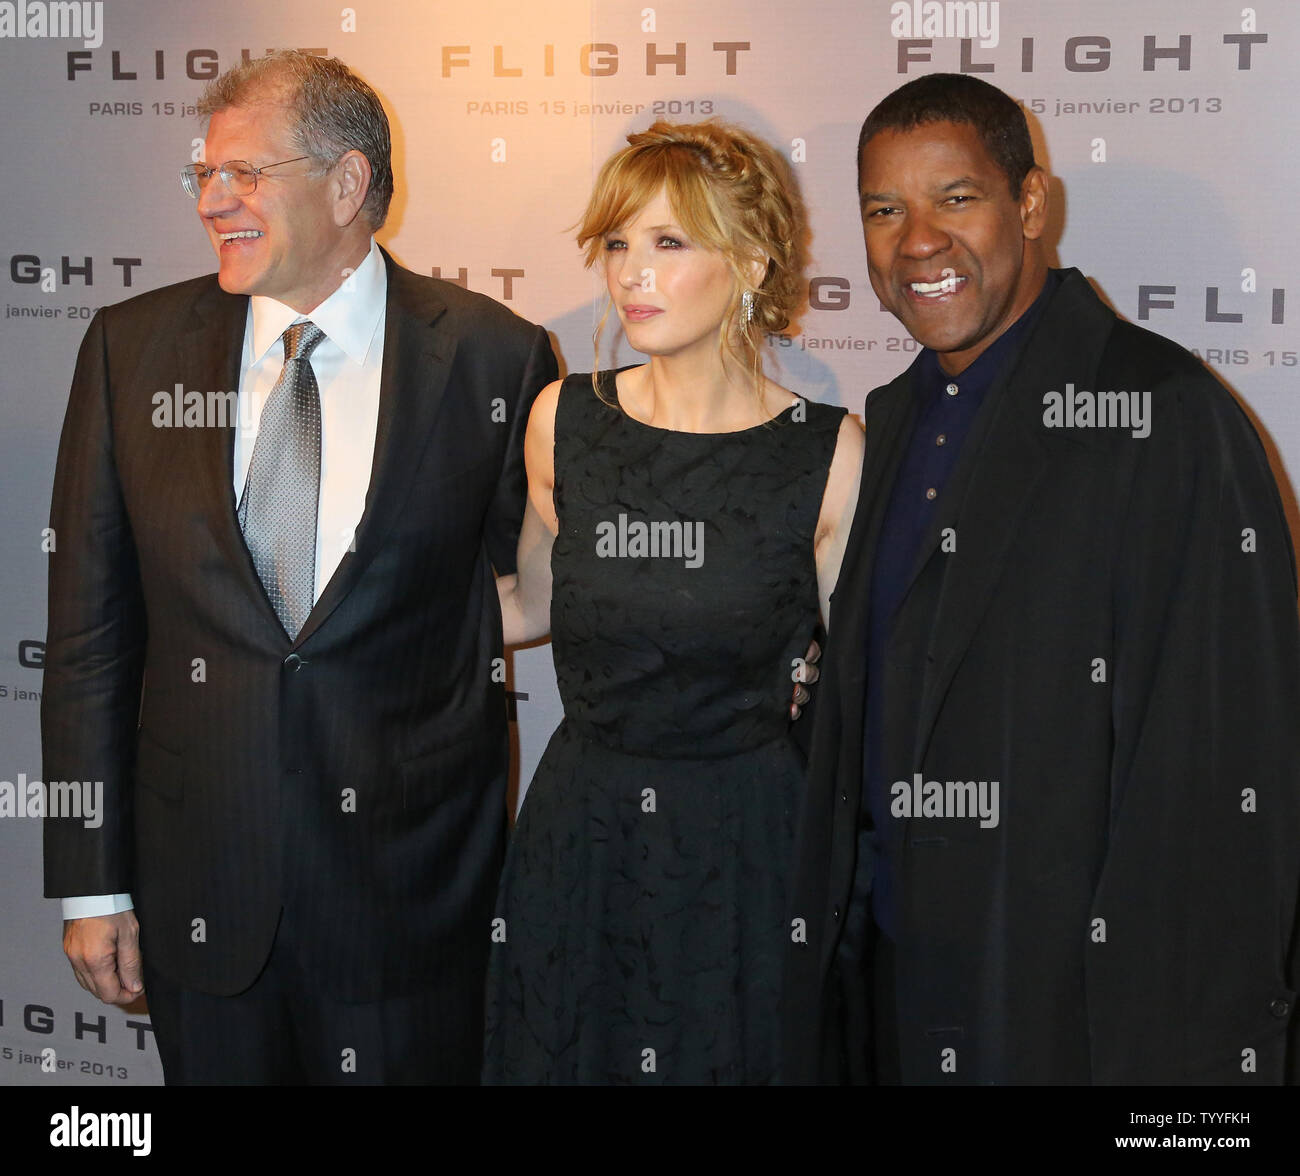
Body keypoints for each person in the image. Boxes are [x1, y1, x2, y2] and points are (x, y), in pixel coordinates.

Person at [41, 50, 557, 1084]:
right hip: (202, 894)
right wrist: (92, 886)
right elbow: (91, 637)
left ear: (348, 183)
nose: (213, 201)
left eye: (245, 174)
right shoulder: (130, 349)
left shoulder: (494, 356)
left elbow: (528, 590)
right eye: (203, 176)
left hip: (412, 898)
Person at [781, 72, 1300, 1085]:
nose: (916, 240)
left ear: (1029, 205)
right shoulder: (889, 420)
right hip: (894, 989)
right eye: (883, 210)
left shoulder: (1166, 419)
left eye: (956, 199)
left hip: (1074, 1020)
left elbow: (1223, 786)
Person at [481, 120, 864, 1084]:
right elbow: (529, 604)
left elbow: (863, 683)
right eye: (617, 244)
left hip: (747, 847)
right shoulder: (561, 421)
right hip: (585, 834)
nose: (630, 275)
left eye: (667, 244)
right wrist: (333, 616)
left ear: (749, 261)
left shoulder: (829, 453)